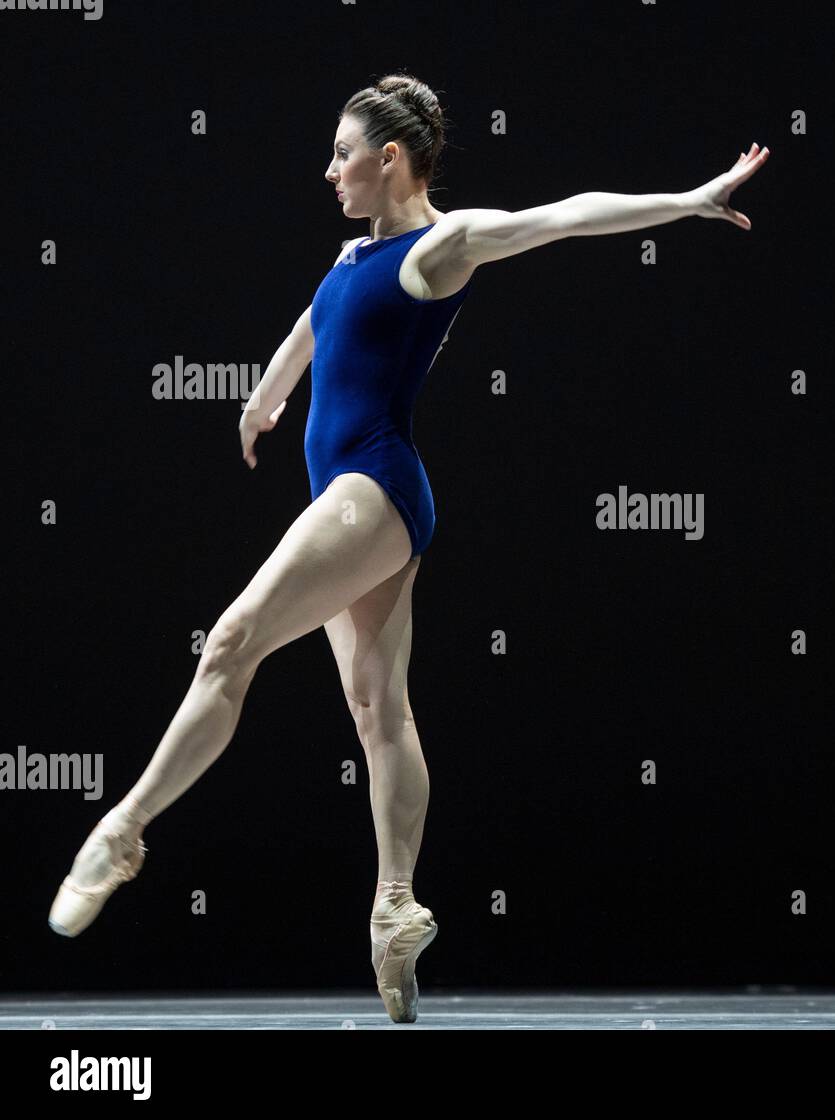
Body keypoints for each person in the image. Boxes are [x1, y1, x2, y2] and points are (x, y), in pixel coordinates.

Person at [48, 72, 771, 1023]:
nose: (329, 169)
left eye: (343, 152)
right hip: (348, 491)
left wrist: (686, 199)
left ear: (390, 158)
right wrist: (266, 396)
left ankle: (122, 831)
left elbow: (562, 217)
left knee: (231, 641)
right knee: (378, 710)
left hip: (374, 488)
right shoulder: (354, 253)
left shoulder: (441, 247)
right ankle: (396, 909)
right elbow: (316, 324)